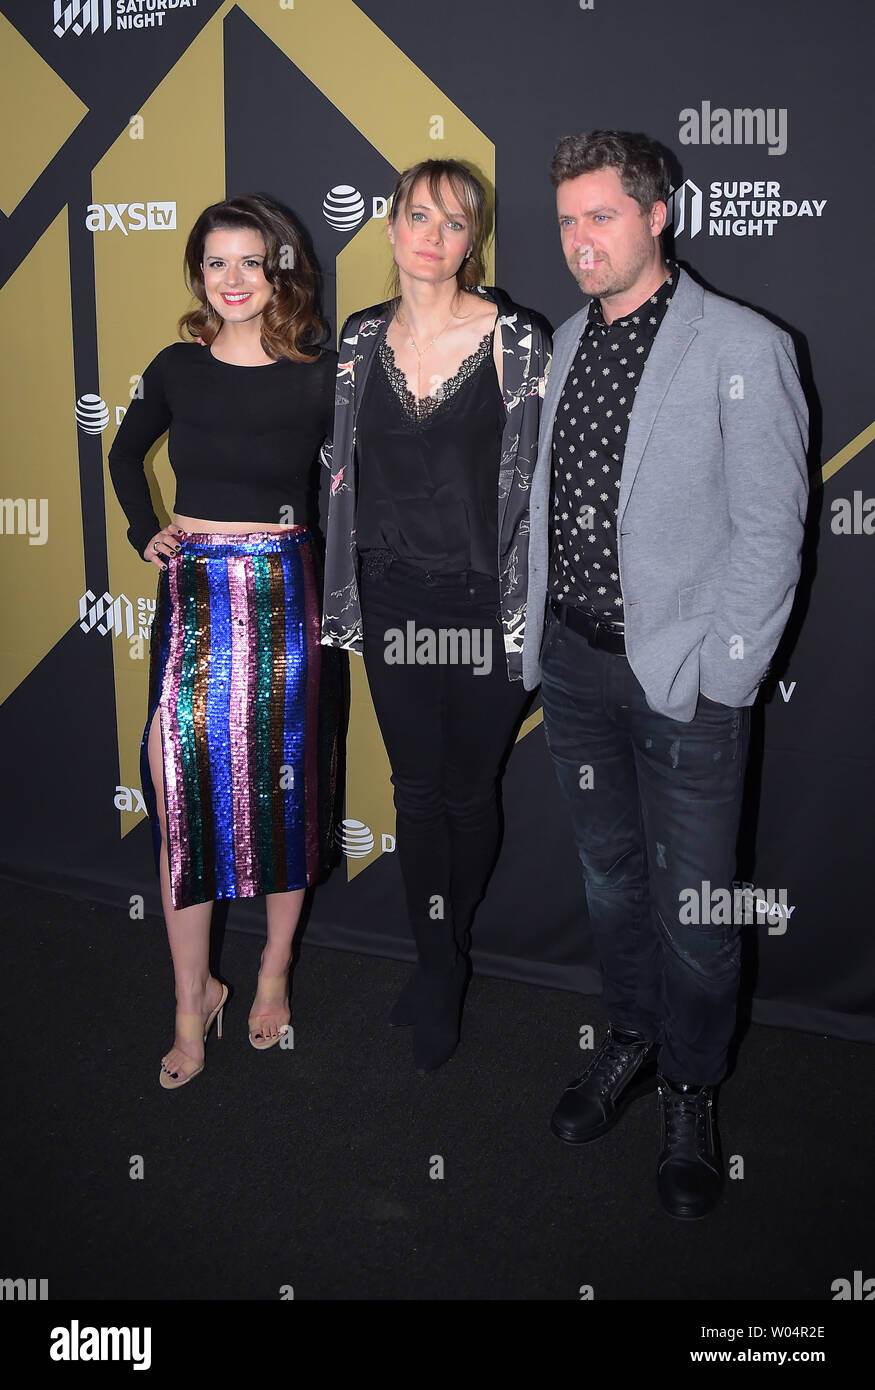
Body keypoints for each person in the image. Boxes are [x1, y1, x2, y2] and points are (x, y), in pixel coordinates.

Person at [522, 131, 809, 1217]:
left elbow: (768, 533)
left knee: (695, 913)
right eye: (565, 220)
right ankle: (632, 1040)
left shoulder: (742, 344)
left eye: (599, 215)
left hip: (683, 687)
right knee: (609, 888)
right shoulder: (560, 342)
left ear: (659, 214)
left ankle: (689, 1088)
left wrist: (724, 677)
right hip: (573, 671)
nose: (578, 241)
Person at [321, 159, 551, 1072]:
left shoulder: (515, 339)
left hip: (484, 607)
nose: (434, 235)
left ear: (472, 240)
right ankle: (435, 963)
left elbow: (537, 487)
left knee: (467, 792)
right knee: (414, 794)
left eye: (455, 223)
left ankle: (446, 960)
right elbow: (338, 477)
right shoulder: (355, 340)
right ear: (388, 226)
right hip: (391, 599)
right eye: (419, 215)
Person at [108, 194, 338, 1088]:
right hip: (193, 590)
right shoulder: (176, 366)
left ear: (281, 270)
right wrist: (144, 531)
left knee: (287, 792)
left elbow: (359, 481)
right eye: (216, 263)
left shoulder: (320, 374)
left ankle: (273, 970)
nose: (234, 279)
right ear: (198, 276)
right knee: (178, 798)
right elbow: (126, 456)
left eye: (252, 261)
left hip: (284, 596)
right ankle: (190, 993)